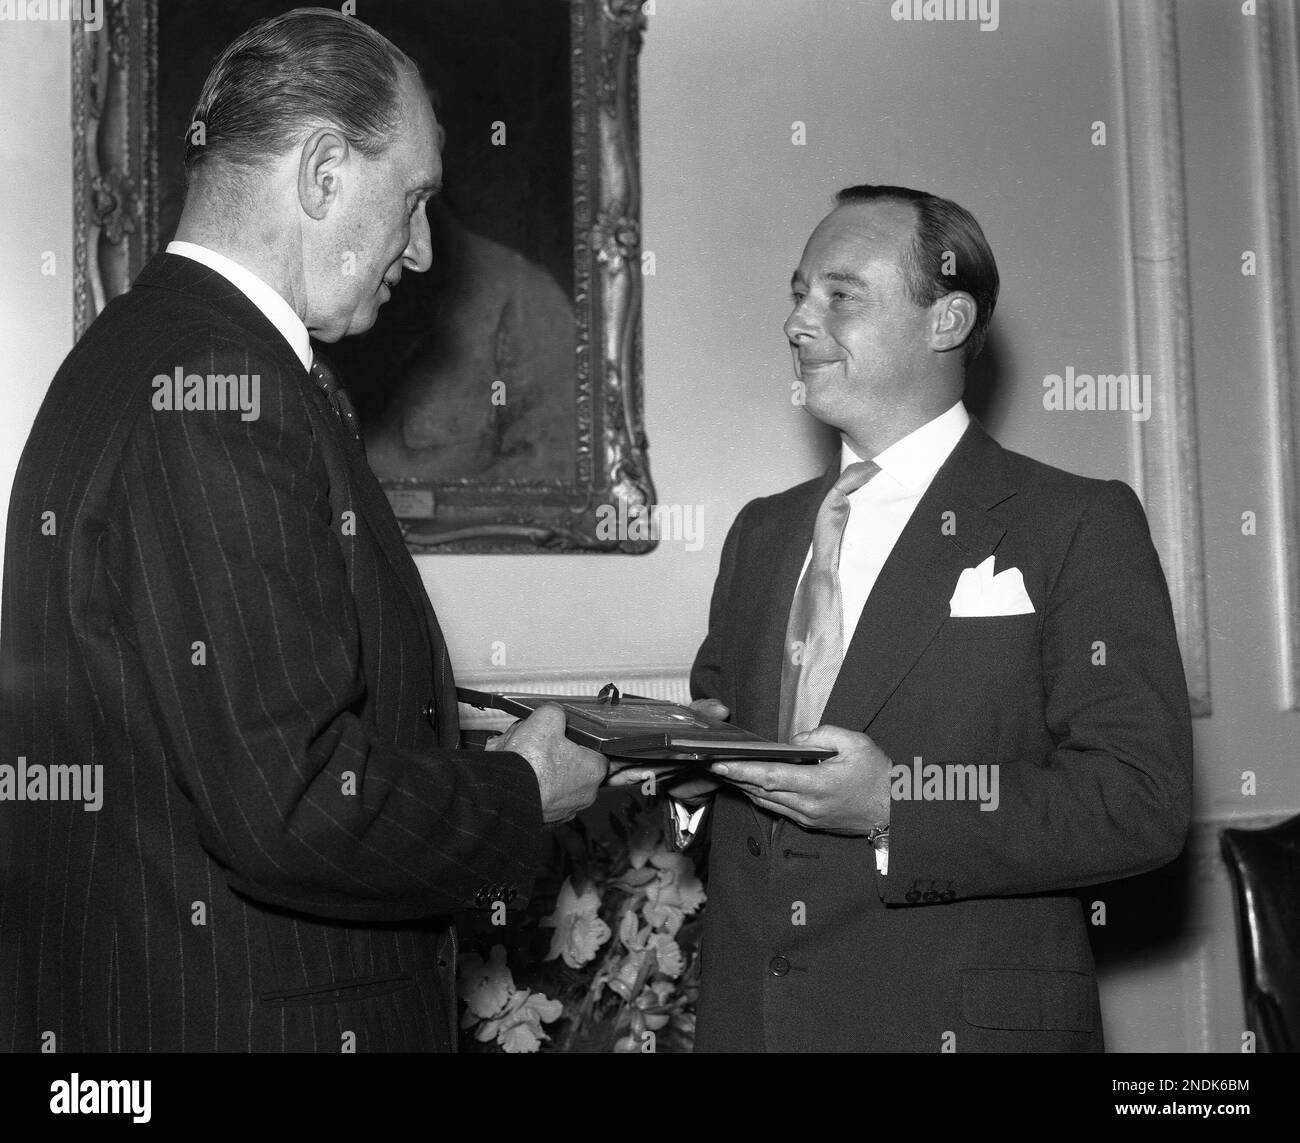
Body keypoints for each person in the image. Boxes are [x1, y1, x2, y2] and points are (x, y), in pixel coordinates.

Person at [0, 8, 605, 1053]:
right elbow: (292, 803)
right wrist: (519, 794)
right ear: (323, 171)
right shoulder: (222, 385)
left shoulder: (140, 350)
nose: (420, 249)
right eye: (413, 197)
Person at [618, 184, 1192, 1052]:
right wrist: (685, 768)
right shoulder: (762, 531)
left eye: (839, 295)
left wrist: (899, 805)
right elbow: (725, 740)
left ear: (948, 320)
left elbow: (1139, 801)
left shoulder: (1076, 521)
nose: (799, 324)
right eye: (798, 294)